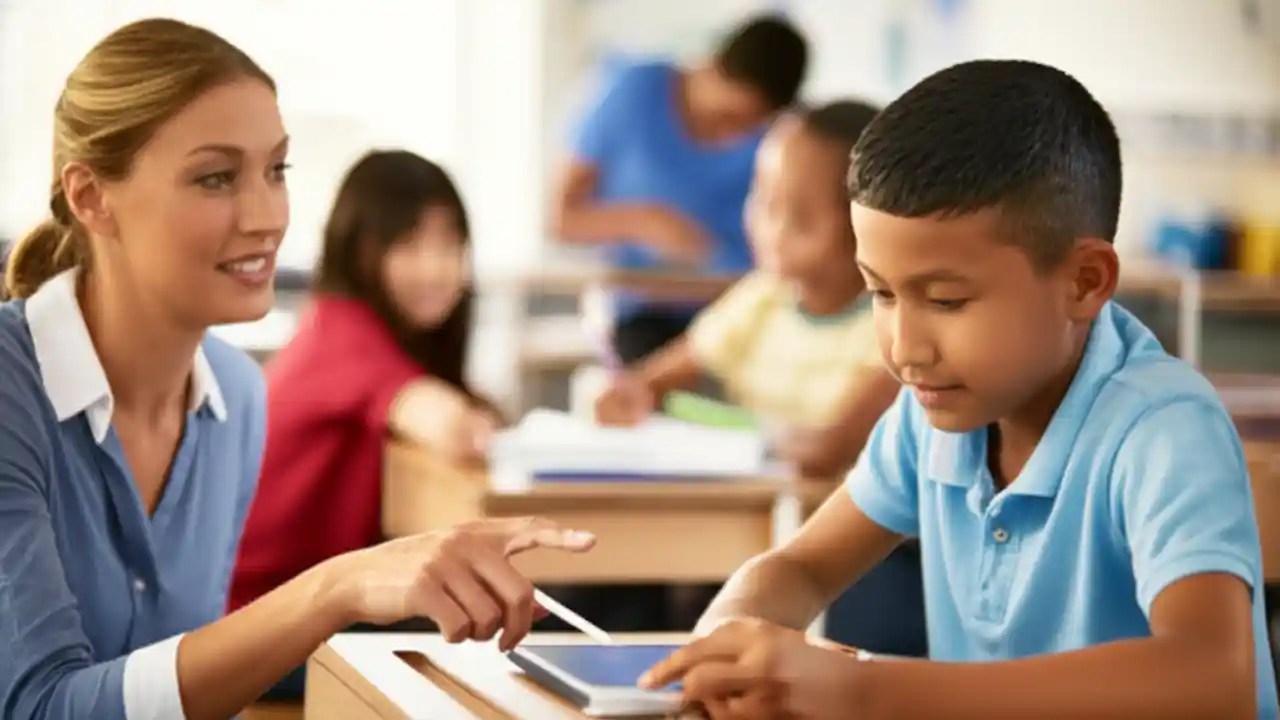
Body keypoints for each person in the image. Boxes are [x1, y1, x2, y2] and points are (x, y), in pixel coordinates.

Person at [639, 59, 1279, 718]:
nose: (903, 349)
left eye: (945, 300)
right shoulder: (933, 414)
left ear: (1085, 282)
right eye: (881, 293)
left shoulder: (1162, 428)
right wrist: (727, 637)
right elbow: (800, 570)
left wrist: (865, 690)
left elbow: (1212, 676)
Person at [0, 19, 593, 720]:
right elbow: (40, 708)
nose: (267, 216)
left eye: (276, 170)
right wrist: (340, 586)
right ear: (92, 196)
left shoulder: (235, 398)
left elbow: (186, 682)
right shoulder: (14, 388)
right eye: (216, 177)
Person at [229, 150, 496, 614]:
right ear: (358, 252)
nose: (436, 268)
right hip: (262, 620)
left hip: (289, 607)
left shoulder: (333, 325)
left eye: (449, 245)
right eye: (409, 246)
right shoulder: (346, 336)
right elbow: (455, 429)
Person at [594, 101, 898, 478]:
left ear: (867, 225)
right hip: (748, 504)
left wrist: (738, 434)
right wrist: (626, 396)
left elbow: (826, 452)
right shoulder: (762, 297)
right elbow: (646, 385)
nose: (775, 232)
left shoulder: (891, 330)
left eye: (802, 218)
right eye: (766, 203)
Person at [553, 14, 808, 363]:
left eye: (748, 126)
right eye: (727, 118)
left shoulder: (781, 139)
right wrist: (644, 222)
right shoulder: (634, 93)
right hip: (645, 316)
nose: (731, 136)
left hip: (743, 315)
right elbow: (559, 218)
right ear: (713, 68)